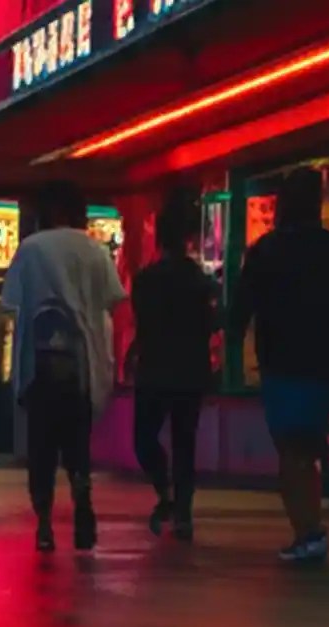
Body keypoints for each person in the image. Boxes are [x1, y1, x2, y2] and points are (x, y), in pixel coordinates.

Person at [231, 168, 329, 563]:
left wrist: (235, 348)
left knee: (290, 450)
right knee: (306, 448)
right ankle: (310, 528)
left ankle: (308, 530)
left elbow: (241, 307)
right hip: (321, 362)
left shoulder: (266, 251)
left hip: (280, 362)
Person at [1, 181, 126, 552]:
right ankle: (82, 500)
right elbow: (113, 300)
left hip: (39, 366)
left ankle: (43, 525)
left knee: (41, 449)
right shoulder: (95, 250)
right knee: (77, 445)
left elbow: (11, 302)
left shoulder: (31, 249)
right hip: (83, 366)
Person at [130, 189, 217, 541]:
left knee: (144, 437)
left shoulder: (146, 280)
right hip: (189, 369)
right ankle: (182, 510)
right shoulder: (199, 281)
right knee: (185, 441)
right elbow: (211, 322)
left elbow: (143, 321)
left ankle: (165, 494)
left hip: (153, 368)